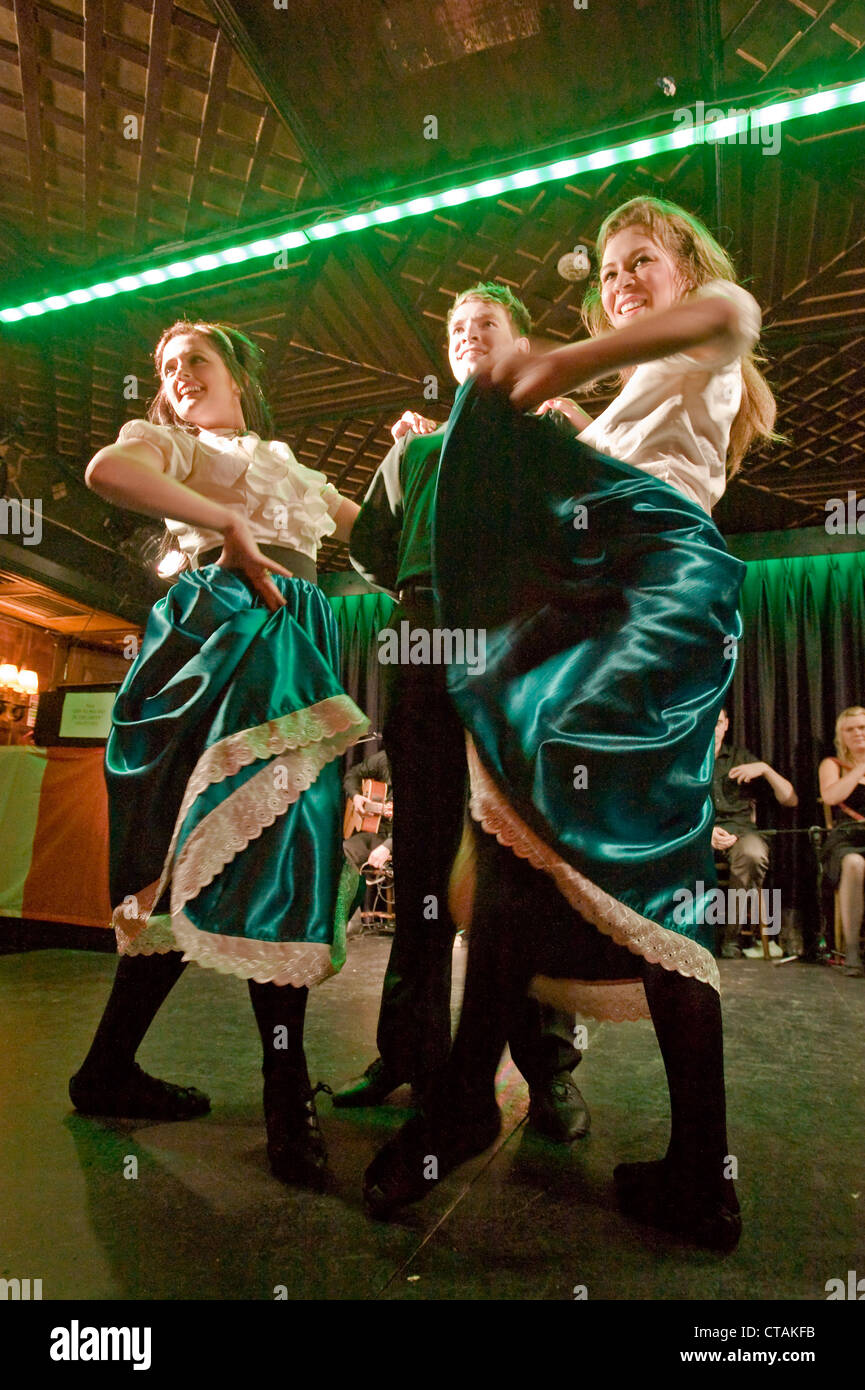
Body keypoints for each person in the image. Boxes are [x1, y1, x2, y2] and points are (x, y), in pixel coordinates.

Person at [362, 196, 778, 1252]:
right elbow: (543, 467)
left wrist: (556, 362)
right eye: (607, 270)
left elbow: (727, 315)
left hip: (656, 588)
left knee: (613, 853)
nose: (621, 279)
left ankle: (669, 1158)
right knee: (528, 838)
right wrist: (458, 433)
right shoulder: (628, 399)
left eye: (643, 261)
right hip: (599, 598)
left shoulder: (707, 335)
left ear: (686, 264)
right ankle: (515, 1107)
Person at [68, 320, 369, 1189]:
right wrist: (227, 523)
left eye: (196, 358)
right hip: (222, 628)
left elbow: (379, 535)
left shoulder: (295, 466)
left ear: (238, 369)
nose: (180, 373)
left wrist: (417, 462)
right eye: (167, 367)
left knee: (241, 854)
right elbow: (108, 472)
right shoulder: (171, 441)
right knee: (257, 849)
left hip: (290, 635)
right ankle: (284, 1092)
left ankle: (105, 1069)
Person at [339, 283, 589, 1143]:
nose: (469, 335)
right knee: (420, 858)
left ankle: (547, 1069)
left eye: (487, 324)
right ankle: (408, 1054)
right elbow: (372, 548)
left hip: (518, 645)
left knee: (520, 856)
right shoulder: (410, 454)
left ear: (518, 343)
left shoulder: (548, 428)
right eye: (456, 328)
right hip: (423, 638)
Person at [711, 707, 798, 956]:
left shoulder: (740, 757)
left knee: (753, 854)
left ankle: (731, 938)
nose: (713, 729)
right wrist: (705, 832)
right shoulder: (687, 757)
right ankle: (691, 936)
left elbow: (790, 800)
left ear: (726, 724)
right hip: (700, 831)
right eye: (708, 722)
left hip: (741, 831)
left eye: (717, 723)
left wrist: (764, 769)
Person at [819, 706, 865, 976]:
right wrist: (859, 769)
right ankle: (852, 952)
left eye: (862, 728)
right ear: (841, 736)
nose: (858, 733)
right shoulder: (833, 764)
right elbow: (831, 797)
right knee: (854, 863)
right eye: (850, 729)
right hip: (847, 837)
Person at [342, 748, 393, 873]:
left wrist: (388, 846)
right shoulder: (385, 759)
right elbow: (353, 774)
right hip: (380, 833)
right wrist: (355, 796)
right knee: (344, 852)